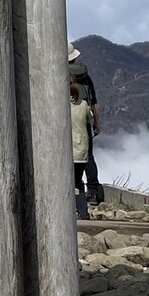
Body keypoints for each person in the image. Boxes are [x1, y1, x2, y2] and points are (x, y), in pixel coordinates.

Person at [68, 45, 103, 204]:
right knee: (88, 157)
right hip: (84, 120)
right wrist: (96, 122)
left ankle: (75, 189)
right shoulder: (85, 76)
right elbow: (94, 103)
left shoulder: (61, 73)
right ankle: (93, 192)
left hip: (67, 121)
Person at [69, 82, 93, 204]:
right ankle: (83, 210)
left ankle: (76, 207)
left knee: (70, 181)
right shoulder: (84, 105)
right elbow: (90, 117)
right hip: (82, 148)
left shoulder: (65, 106)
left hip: (69, 148)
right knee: (78, 181)